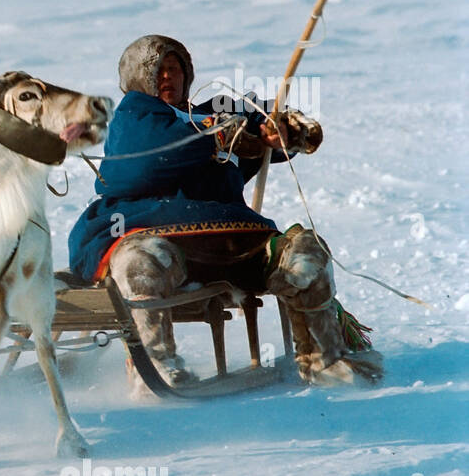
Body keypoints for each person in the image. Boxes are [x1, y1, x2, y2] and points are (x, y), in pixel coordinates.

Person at [68, 34, 382, 394]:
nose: (168, 77)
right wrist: (216, 134)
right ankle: (154, 367)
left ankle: (325, 358)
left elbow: (260, 120)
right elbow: (151, 156)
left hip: (234, 243)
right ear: (139, 78)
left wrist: (278, 130)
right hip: (153, 235)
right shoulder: (134, 117)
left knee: (306, 254)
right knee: (140, 264)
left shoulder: (213, 112)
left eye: (175, 69)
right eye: (158, 70)